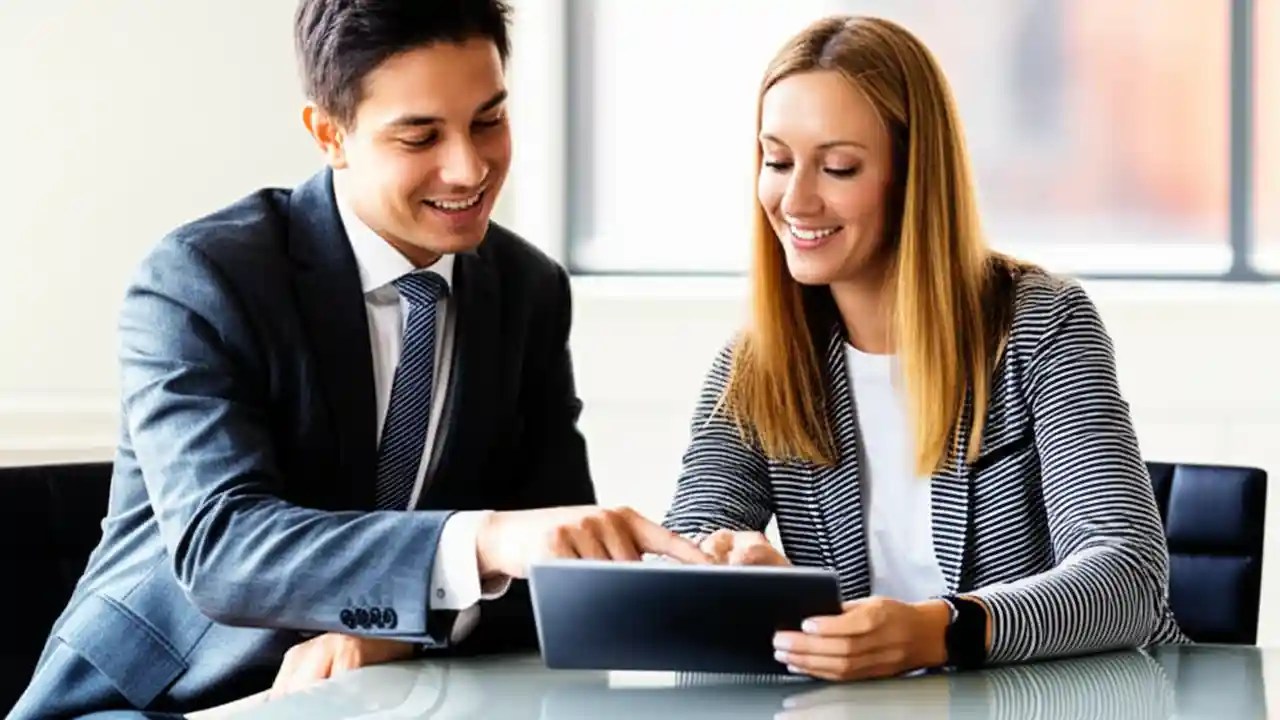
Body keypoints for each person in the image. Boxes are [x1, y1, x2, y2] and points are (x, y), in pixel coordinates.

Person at [13, 1, 704, 717]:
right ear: (329, 134)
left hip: (384, 696)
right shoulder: (206, 277)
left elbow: (549, 577)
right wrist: (480, 539)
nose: (469, 167)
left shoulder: (526, 290)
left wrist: (396, 633)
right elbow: (222, 548)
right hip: (161, 700)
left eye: (489, 121)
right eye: (420, 136)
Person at [663, 15, 1188, 682]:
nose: (795, 200)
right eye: (778, 161)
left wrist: (939, 631)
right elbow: (681, 550)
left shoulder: (1039, 325)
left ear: (914, 176)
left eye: (838, 167)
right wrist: (729, 573)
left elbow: (1127, 578)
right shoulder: (758, 364)